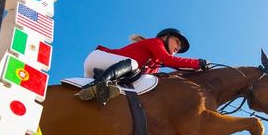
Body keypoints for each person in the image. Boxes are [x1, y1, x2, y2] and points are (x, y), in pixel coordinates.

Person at [76, 28, 210, 104]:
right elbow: (169, 60)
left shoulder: (155, 65)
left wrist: (197, 70)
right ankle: (97, 85)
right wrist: (197, 63)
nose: (178, 47)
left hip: (102, 71)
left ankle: (97, 90)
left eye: (180, 47)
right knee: (133, 64)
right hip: (99, 58)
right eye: (177, 42)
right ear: (165, 37)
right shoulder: (155, 42)